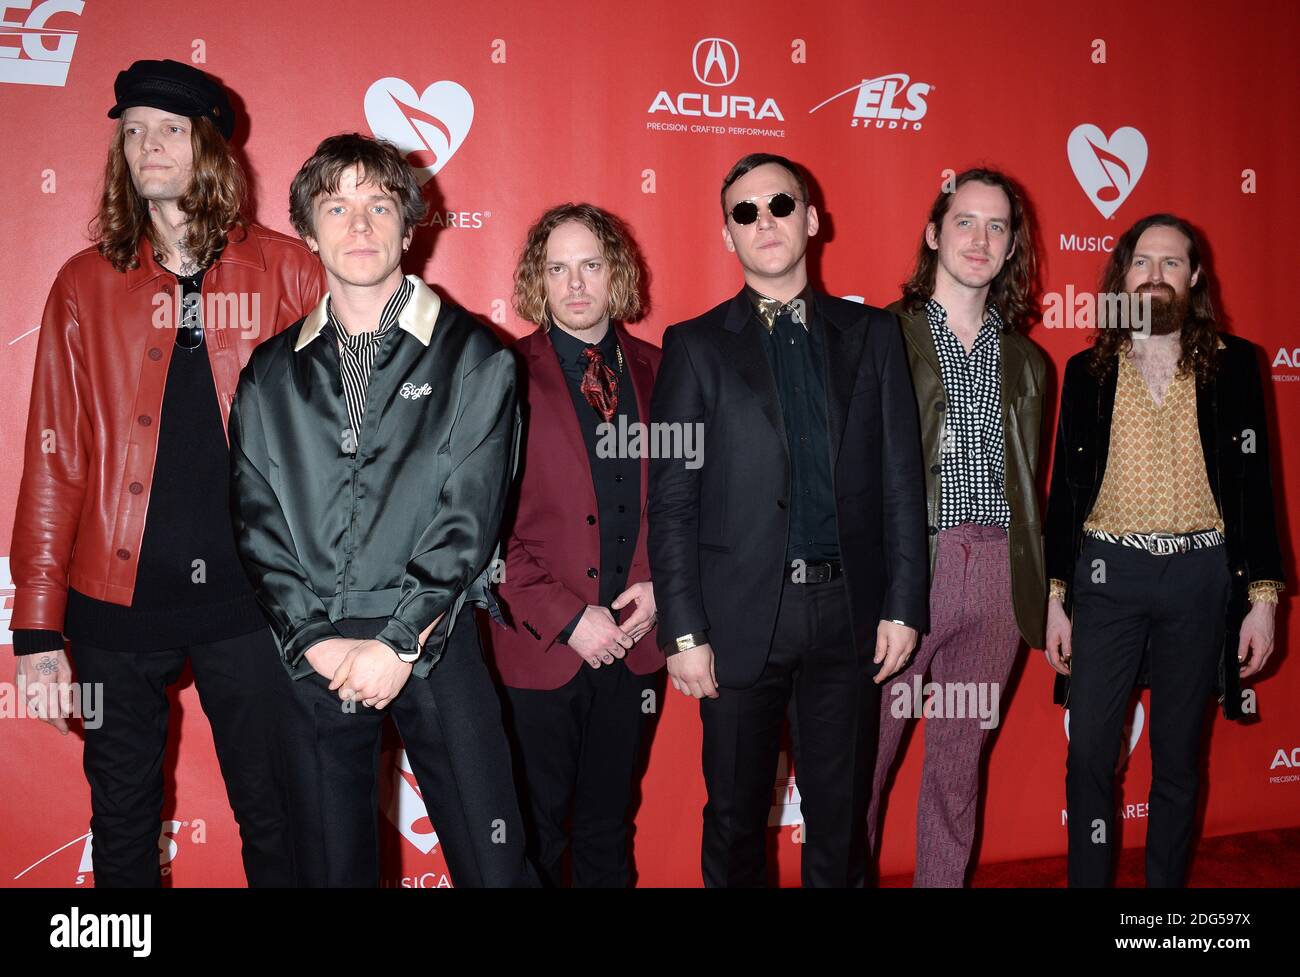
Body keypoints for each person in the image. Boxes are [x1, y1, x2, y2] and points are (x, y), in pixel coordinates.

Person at [9, 58, 322, 887]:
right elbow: (54, 454)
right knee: (120, 825)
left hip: (254, 602)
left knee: (276, 812)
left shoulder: (288, 271)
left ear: (209, 145)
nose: (147, 144)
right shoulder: (84, 284)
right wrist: (37, 630)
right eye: (133, 128)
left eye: (170, 128)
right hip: (116, 604)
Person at [229, 132, 533, 887]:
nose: (358, 226)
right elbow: (256, 521)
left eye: (378, 205)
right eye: (337, 207)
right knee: (329, 871)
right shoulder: (268, 373)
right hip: (317, 652)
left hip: (435, 641)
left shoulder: (477, 355)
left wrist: (398, 642)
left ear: (409, 224)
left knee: (497, 868)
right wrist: (316, 641)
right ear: (307, 230)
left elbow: (470, 514)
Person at [648, 152, 928, 887]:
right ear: (727, 236)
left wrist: (903, 605)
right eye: (745, 212)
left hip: (848, 613)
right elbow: (671, 500)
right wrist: (682, 631)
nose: (764, 221)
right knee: (735, 818)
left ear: (811, 218)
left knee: (840, 818)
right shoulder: (695, 346)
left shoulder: (873, 336)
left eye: (779, 205)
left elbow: (902, 481)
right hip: (738, 619)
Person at [1043, 213, 1283, 887]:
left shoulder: (1237, 367)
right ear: (1123, 275)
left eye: (1170, 263)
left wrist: (1262, 601)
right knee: (1089, 750)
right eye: (1141, 262)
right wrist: (1055, 597)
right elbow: (1065, 492)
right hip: (1105, 572)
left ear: (1194, 276)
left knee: (1178, 759)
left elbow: (1255, 492)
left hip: (1199, 577)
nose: (1154, 275)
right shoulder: (1086, 370)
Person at [868, 168, 1048, 886]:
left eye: (997, 226)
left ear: (1011, 249)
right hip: (913, 567)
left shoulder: (1030, 361)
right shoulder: (881, 335)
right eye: (965, 221)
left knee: (958, 763)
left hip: (1001, 574)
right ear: (934, 233)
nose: (980, 238)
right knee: (866, 759)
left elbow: (1033, 493)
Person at [490, 203, 663, 887]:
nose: (576, 284)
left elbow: (686, 502)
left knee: (608, 826)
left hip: (638, 639)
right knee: (532, 831)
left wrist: (660, 585)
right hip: (540, 648)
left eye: (590, 263)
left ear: (615, 271)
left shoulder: (663, 369)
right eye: (558, 268)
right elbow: (482, 530)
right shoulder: (500, 374)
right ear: (538, 278)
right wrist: (569, 618)